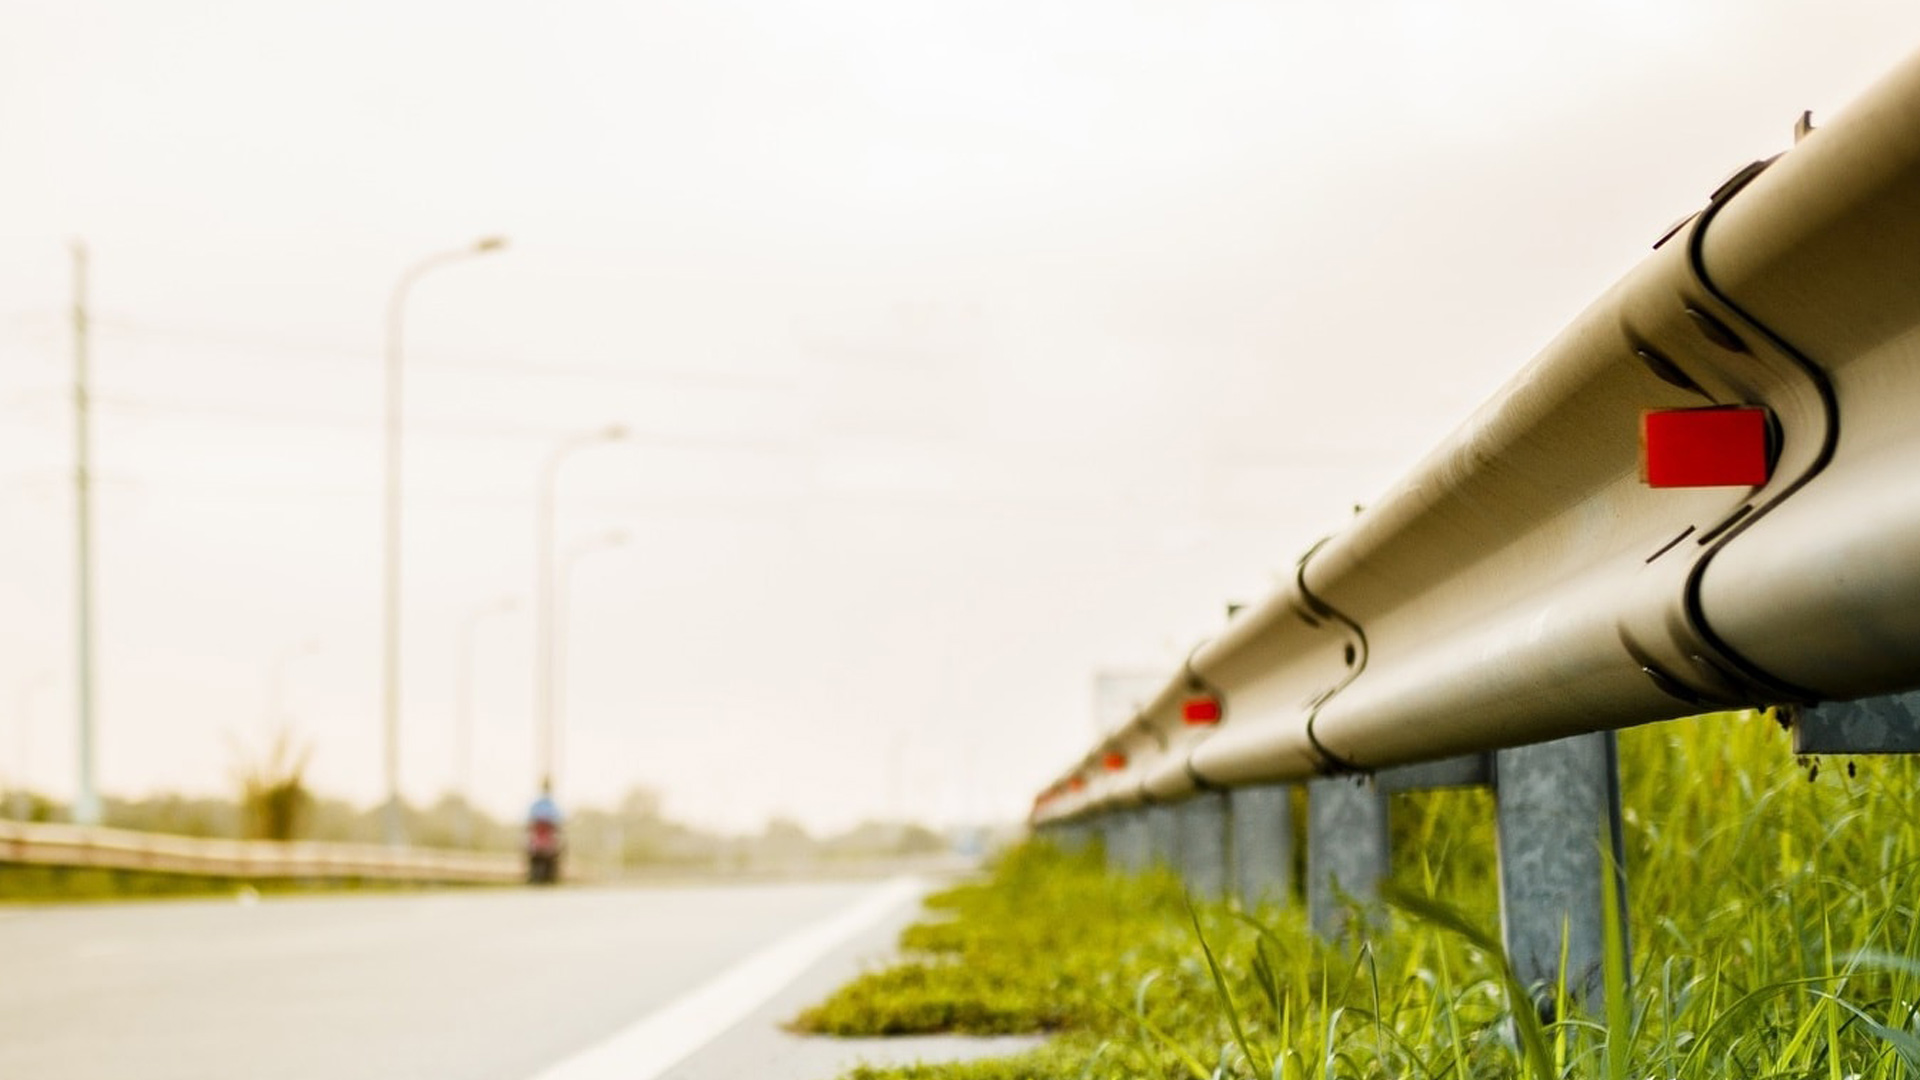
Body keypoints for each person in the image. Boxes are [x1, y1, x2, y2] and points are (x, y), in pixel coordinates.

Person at [526, 779, 564, 885]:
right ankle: (540, 876)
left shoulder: (541, 804)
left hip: (546, 836)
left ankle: (549, 876)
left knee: (555, 848)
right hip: (541, 836)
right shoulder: (548, 804)